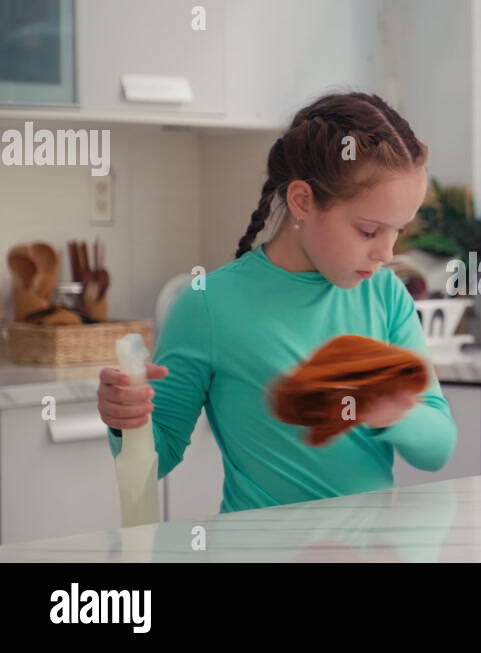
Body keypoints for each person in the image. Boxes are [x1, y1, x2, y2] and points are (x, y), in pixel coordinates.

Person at [97, 91, 457, 514]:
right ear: (303, 201)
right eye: (368, 230)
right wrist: (126, 422)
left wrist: (393, 412)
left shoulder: (385, 294)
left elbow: (437, 449)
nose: (385, 252)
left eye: (397, 231)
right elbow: (151, 464)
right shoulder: (209, 305)